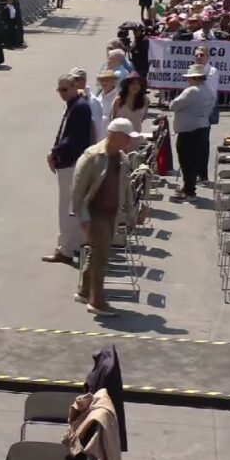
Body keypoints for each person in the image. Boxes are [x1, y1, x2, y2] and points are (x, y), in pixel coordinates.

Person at [71, 119, 139, 318]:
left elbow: (125, 187)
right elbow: (77, 190)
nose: (129, 142)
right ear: (114, 135)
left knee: (95, 253)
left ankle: (85, 291)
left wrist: (131, 211)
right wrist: (81, 217)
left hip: (111, 214)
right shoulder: (92, 156)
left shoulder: (122, 159)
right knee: (101, 257)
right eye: (126, 137)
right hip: (94, 213)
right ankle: (97, 302)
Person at [43, 72, 93, 268]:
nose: (62, 93)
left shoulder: (80, 107)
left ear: (74, 87)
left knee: (66, 208)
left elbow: (74, 139)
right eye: (59, 90)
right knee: (72, 207)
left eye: (65, 89)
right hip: (69, 161)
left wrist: (54, 153)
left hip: (72, 162)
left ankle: (66, 249)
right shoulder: (75, 105)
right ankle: (73, 245)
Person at [169, 64, 215, 201]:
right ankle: (188, 187)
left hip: (189, 130)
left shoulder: (191, 91)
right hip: (202, 127)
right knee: (193, 161)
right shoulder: (208, 91)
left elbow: (173, 106)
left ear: (194, 78)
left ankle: (189, 191)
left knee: (186, 161)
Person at [194, 46, 219, 181]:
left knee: (203, 142)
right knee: (194, 143)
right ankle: (195, 172)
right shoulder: (193, 69)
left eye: (201, 55)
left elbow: (210, 91)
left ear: (207, 57)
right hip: (193, 111)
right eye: (196, 55)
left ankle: (203, 174)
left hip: (205, 110)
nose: (198, 57)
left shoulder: (212, 71)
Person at [73, 68, 106, 142]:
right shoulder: (72, 98)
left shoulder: (93, 102)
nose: (73, 83)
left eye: (76, 80)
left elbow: (98, 128)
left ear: (84, 81)